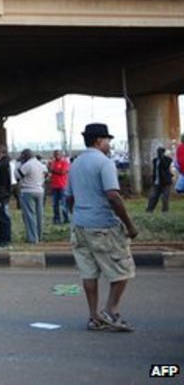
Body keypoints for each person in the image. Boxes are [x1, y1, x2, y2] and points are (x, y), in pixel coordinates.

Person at [65, 123, 138, 332]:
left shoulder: (76, 164)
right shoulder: (104, 163)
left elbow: (69, 198)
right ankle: (110, 310)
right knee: (123, 270)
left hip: (80, 226)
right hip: (103, 225)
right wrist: (129, 225)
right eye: (108, 140)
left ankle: (94, 317)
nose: (109, 144)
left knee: (89, 273)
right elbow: (113, 196)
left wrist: (77, 215)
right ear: (99, 141)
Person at [17, 149, 47, 243]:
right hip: (40, 190)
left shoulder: (27, 165)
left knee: (30, 215)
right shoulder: (41, 164)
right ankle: (40, 235)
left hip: (27, 191)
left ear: (26, 156)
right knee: (39, 214)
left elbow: (18, 176)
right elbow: (46, 174)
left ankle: (33, 238)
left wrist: (19, 165)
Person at [146, 147, 173, 213]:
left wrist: (162, 158)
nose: (158, 153)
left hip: (165, 182)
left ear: (163, 152)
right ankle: (149, 210)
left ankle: (165, 211)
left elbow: (165, 166)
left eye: (160, 152)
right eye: (158, 152)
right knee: (153, 197)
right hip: (157, 182)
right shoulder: (155, 160)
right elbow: (155, 171)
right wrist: (153, 179)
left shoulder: (168, 159)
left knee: (165, 198)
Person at [49, 150, 71, 224]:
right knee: (55, 204)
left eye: (58, 154)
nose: (56, 156)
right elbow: (50, 170)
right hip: (54, 186)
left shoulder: (65, 162)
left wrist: (53, 170)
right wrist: (52, 170)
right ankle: (56, 218)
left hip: (62, 186)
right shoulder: (53, 162)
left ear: (61, 155)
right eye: (55, 154)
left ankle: (66, 218)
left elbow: (62, 172)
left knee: (63, 203)